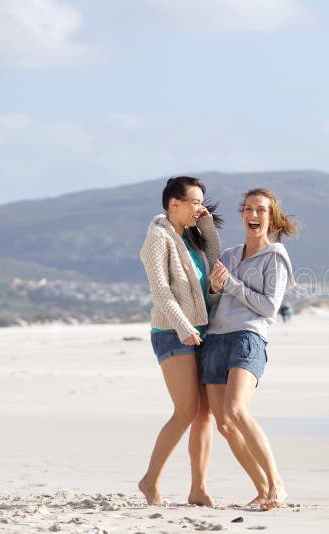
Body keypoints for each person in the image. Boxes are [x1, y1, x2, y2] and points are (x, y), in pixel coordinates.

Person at [200, 187, 296, 510]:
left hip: (248, 338)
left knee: (236, 411)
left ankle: (277, 484)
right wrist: (215, 288)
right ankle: (262, 488)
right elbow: (215, 300)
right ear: (242, 214)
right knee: (224, 423)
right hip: (215, 340)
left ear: (271, 218)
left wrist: (229, 284)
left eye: (261, 210)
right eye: (249, 209)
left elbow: (269, 307)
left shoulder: (276, 258)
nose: (253, 215)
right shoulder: (227, 255)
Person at [138, 176, 223, 506]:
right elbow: (161, 293)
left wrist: (209, 227)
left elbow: (215, 263)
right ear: (174, 204)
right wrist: (184, 326)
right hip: (172, 333)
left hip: (199, 332)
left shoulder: (190, 235)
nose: (199, 207)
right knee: (186, 410)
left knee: (205, 414)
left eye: (202, 201)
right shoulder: (158, 238)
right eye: (194, 202)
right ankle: (150, 480)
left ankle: (198, 488)